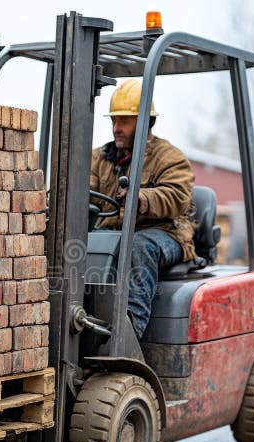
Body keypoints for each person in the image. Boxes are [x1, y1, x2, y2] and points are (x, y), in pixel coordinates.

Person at [90, 78, 196, 340]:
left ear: (145, 122)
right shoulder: (100, 158)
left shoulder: (169, 157)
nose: (116, 128)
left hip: (164, 234)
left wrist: (142, 199)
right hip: (115, 234)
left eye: (124, 122)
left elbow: (178, 195)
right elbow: (85, 187)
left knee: (138, 245)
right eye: (114, 121)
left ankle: (130, 330)